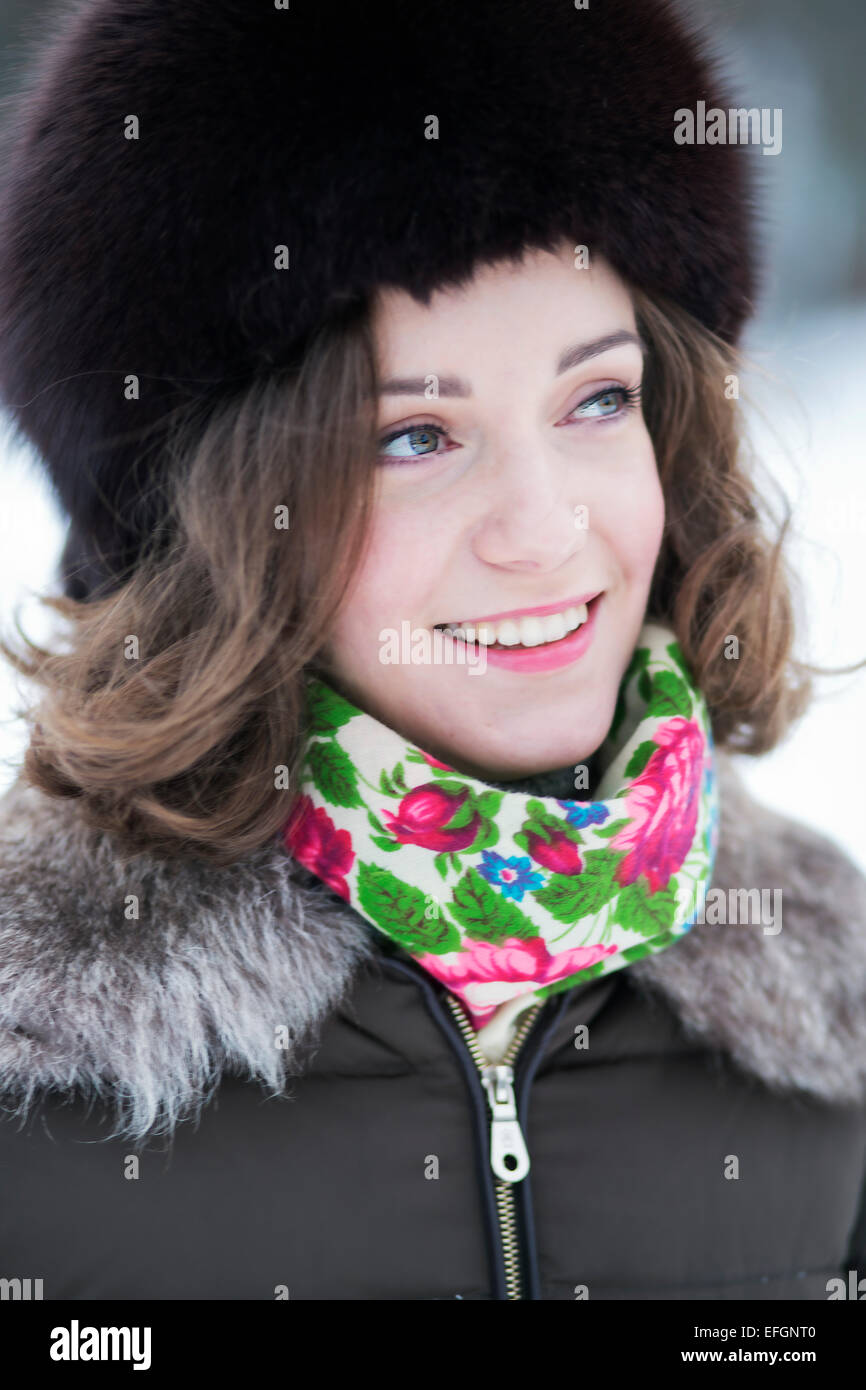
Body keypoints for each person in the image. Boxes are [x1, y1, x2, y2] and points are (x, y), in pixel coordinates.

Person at [0, 0, 864, 1302]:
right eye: (413, 435)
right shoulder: (39, 1083)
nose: (544, 531)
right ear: (221, 524)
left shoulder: (828, 1025)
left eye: (597, 399)